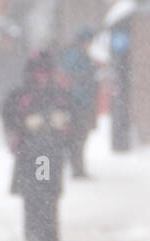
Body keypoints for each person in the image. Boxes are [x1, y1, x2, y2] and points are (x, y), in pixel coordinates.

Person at [3, 52, 74, 241]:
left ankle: (48, 237)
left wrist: (62, 123)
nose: (41, 77)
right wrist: (25, 124)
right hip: (31, 155)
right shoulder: (21, 95)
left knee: (48, 195)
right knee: (34, 196)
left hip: (49, 154)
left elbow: (73, 117)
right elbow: (9, 117)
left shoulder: (58, 94)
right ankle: (35, 236)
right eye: (38, 73)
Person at [60, 28, 99, 179]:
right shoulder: (75, 55)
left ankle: (78, 167)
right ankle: (77, 168)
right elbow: (70, 76)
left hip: (81, 101)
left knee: (80, 137)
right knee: (78, 137)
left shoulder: (78, 54)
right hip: (77, 103)